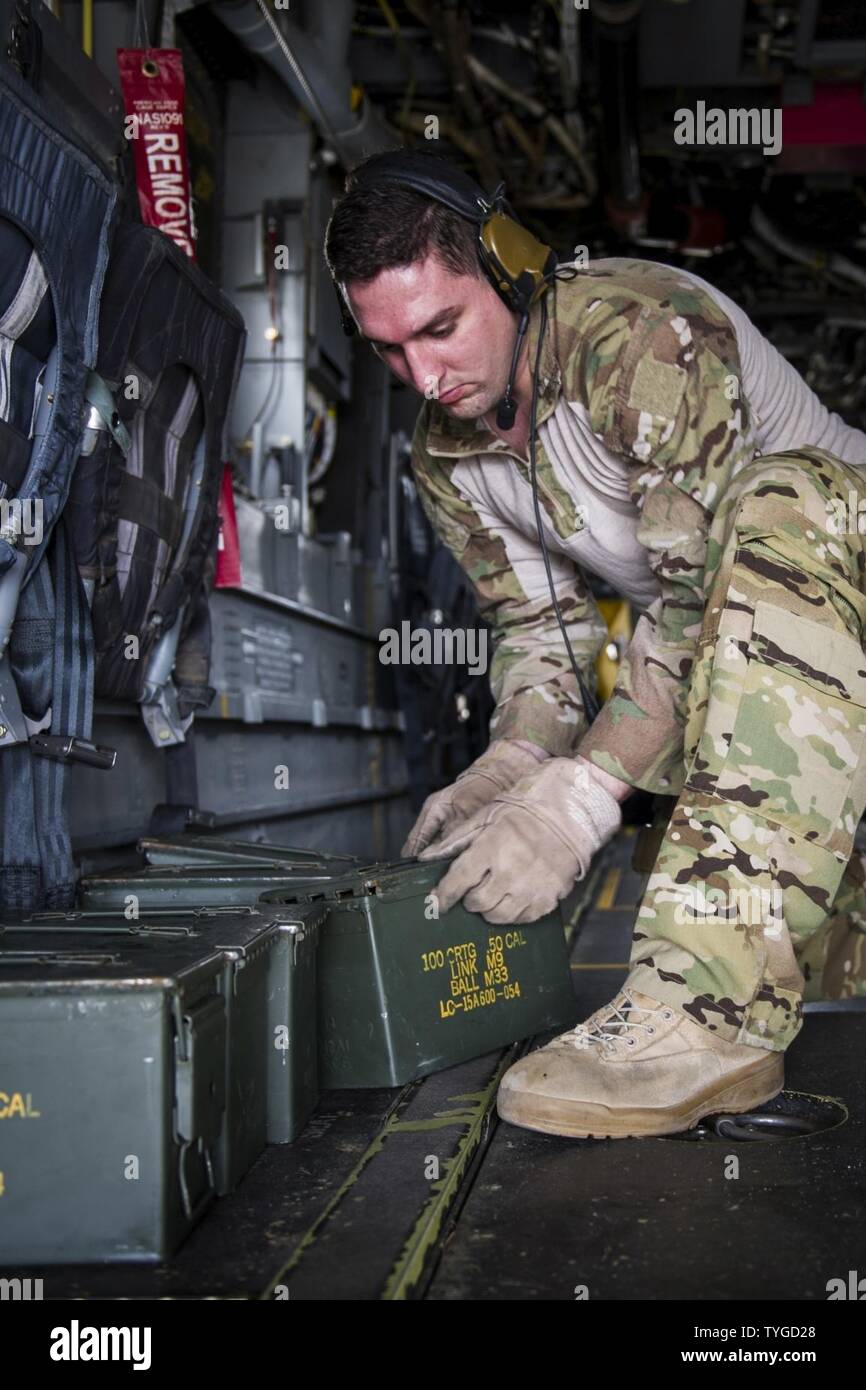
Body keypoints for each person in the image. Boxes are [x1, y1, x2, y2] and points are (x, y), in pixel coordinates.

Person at [325, 149, 866, 1138]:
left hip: (832, 565)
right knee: (808, 946)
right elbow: (544, 635)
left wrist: (575, 801)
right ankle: (738, 1021)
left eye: (441, 327)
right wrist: (513, 764)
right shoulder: (441, 454)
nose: (425, 375)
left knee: (775, 505)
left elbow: (696, 588)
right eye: (389, 350)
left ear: (506, 268)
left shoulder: (638, 336)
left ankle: (700, 1012)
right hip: (766, 660)